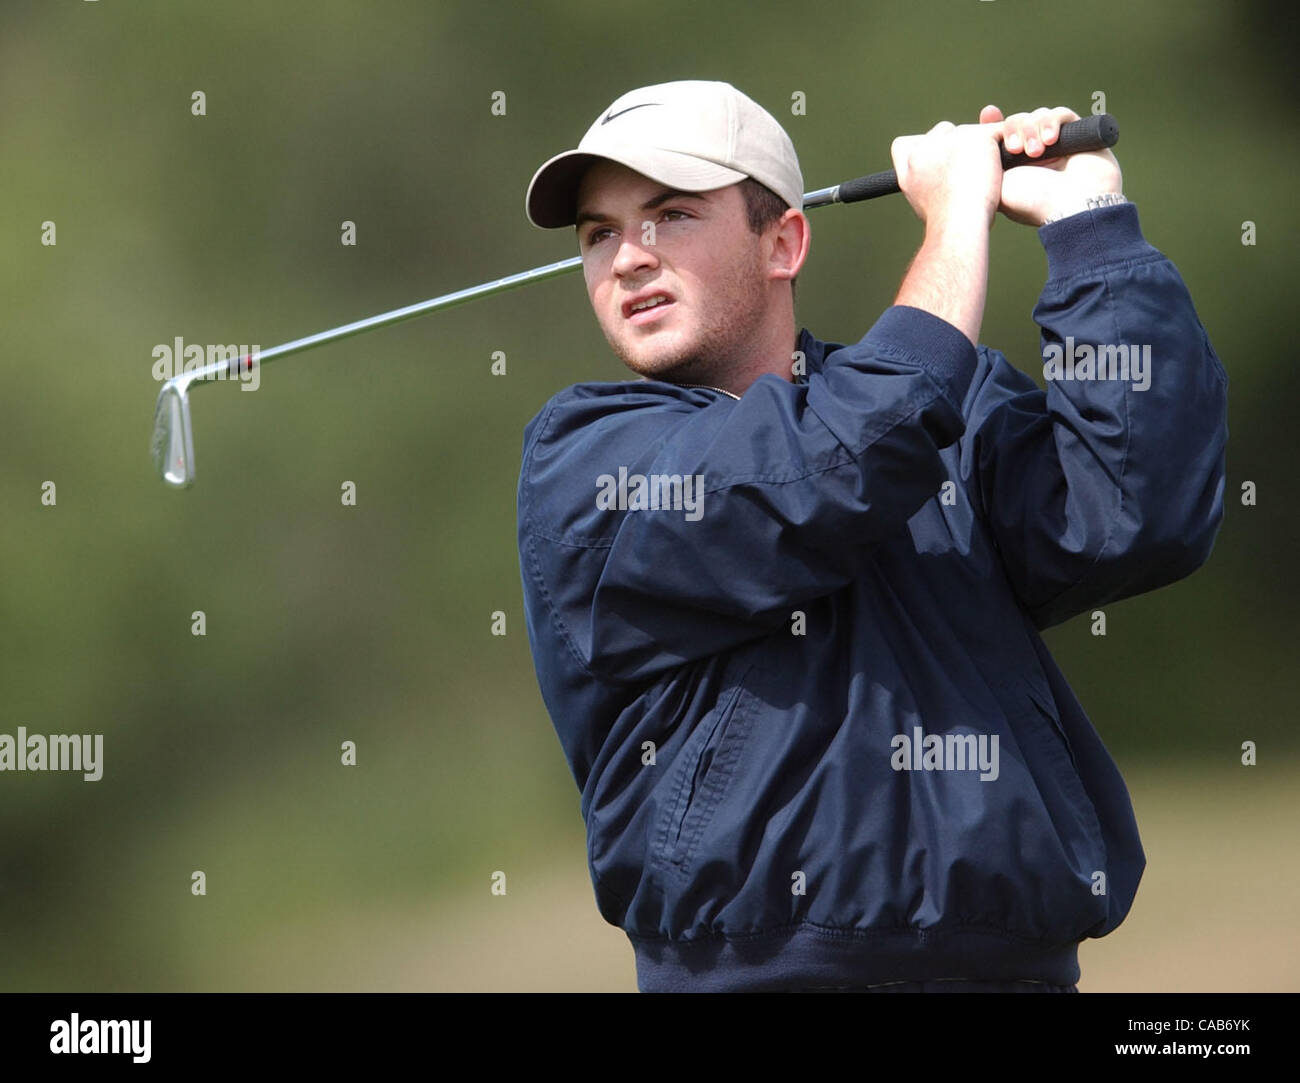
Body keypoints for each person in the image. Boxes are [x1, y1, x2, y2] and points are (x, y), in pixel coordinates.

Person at [515, 80, 1227, 993]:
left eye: (669, 216)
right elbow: (826, 469)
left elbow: (1140, 515)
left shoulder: (945, 405)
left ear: (784, 240)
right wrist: (955, 224)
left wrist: (1089, 226)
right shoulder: (584, 457)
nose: (625, 260)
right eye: (598, 232)